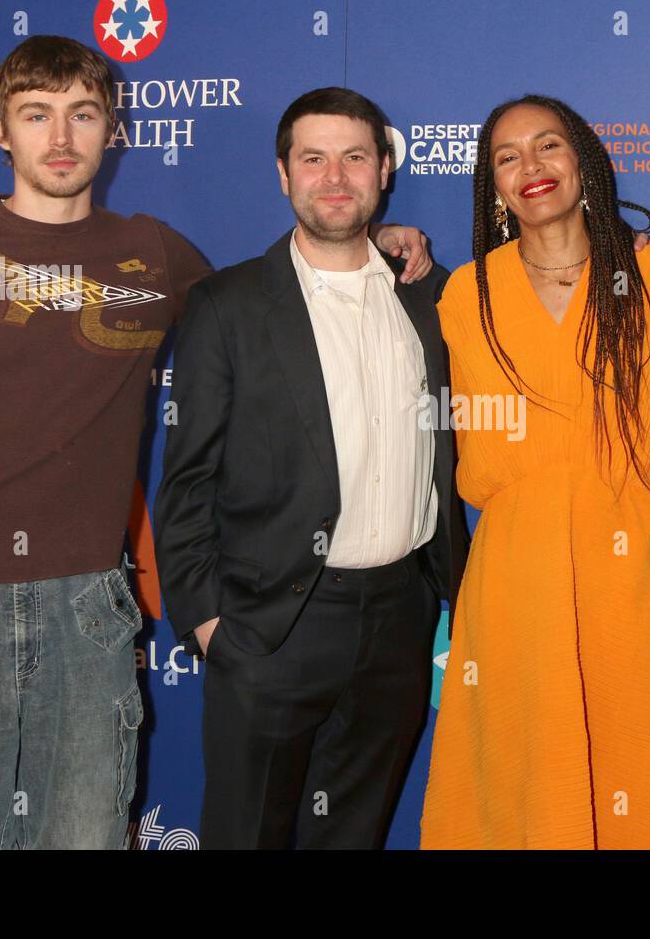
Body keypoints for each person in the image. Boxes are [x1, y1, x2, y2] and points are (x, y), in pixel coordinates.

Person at [0, 38, 430, 849]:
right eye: (37, 115)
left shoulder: (157, 255)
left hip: (96, 605)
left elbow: (276, 300)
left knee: (89, 835)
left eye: (83, 115)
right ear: (2, 129)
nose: (60, 138)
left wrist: (372, 245)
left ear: (112, 131)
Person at [420, 95, 650, 849]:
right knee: (524, 779)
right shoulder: (467, 294)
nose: (531, 167)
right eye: (507, 157)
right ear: (492, 186)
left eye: (548, 146)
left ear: (584, 164)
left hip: (636, 568)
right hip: (515, 572)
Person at [153, 87, 467, 849]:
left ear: (383, 171)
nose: (335, 177)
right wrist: (209, 625)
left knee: (352, 835)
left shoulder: (429, 298)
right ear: (283, 175)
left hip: (398, 619)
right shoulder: (226, 304)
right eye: (313, 158)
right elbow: (187, 479)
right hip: (269, 626)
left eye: (355, 157)